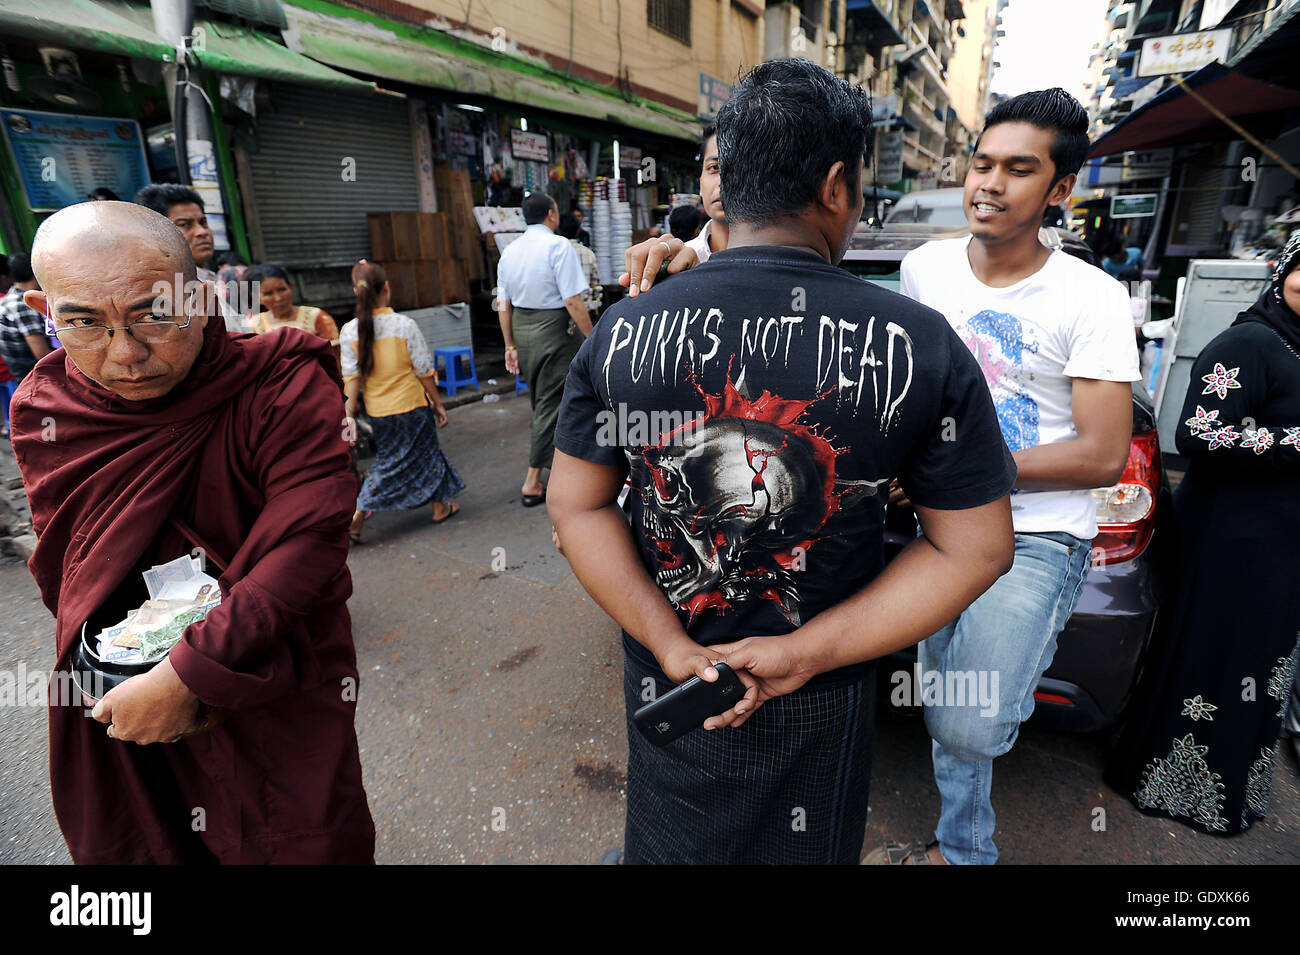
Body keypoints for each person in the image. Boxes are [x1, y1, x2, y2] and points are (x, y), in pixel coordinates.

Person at [548, 58, 1018, 865]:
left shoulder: (619, 333)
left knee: (667, 848)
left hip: (672, 679)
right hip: (823, 690)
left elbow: (575, 509)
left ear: (727, 177)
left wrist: (671, 645)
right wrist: (804, 652)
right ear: (837, 186)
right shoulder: (924, 345)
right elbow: (976, 547)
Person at [10, 200, 374, 863]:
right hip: (124, 677)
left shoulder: (279, 381)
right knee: (155, 835)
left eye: (153, 313)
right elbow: (73, 563)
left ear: (200, 296)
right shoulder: (46, 406)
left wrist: (189, 676)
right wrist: (132, 667)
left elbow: (310, 538)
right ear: (45, 313)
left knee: (299, 835)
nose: (125, 353)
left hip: (272, 671)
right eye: (83, 323)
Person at [865, 88, 1139, 866]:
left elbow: (1101, 453)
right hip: (937, 528)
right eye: (981, 162)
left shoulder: (1092, 296)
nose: (989, 182)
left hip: (1040, 534)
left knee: (969, 719)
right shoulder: (922, 270)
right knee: (941, 705)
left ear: (1059, 190)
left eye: (1019, 170)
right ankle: (964, 852)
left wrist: (968, 470)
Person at [1104, 229, 1300, 835]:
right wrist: (1288, 443)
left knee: (1262, 660)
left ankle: (1232, 788)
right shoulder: (1250, 342)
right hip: (1232, 540)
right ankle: (1170, 783)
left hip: (1285, 543)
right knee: (1214, 652)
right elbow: (1200, 432)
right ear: (1285, 270)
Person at [341, 260, 462, 542]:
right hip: (412, 406)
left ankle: (439, 506)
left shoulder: (349, 331)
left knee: (407, 457)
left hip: (380, 411)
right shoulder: (404, 325)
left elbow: (351, 378)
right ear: (386, 288)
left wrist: (349, 415)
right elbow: (423, 370)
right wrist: (438, 403)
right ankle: (359, 511)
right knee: (409, 459)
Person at [496, 192, 592, 507]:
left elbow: (503, 304)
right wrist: (592, 337)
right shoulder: (558, 246)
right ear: (551, 214)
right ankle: (532, 480)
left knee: (542, 402)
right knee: (550, 405)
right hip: (553, 332)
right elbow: (572, 301)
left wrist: (509, 344)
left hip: (523, 331)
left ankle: (557, 467)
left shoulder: (509, 251)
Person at [617, 126, 729, 295]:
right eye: (714, 167)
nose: (722, 181)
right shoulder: (672, 264)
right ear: (700, 184)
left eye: (735, 169)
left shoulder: (779, 262)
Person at [247, 264, 340, 357]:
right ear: (257, 297)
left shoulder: (316, 317)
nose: (278, 298)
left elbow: (335, 356)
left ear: (291, 287)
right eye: (268, 293)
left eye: (282, 289)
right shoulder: (254, 325)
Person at [134, 183, 215, 278]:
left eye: (203, 222)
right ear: (156, 234)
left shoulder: (211, 279)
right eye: (184, 224)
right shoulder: (165, 286)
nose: (202, 232)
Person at [0, 253, 52, 384]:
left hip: (23, 377)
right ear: (36, 274)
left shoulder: (10, 297)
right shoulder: (24, 304)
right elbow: (41, 353)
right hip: (37, 379)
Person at [557, 213, 602, 327]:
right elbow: (596, 284)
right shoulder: (588, 253)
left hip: (561, 313)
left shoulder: (555, 253)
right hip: (586, 311)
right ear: (578, 231)